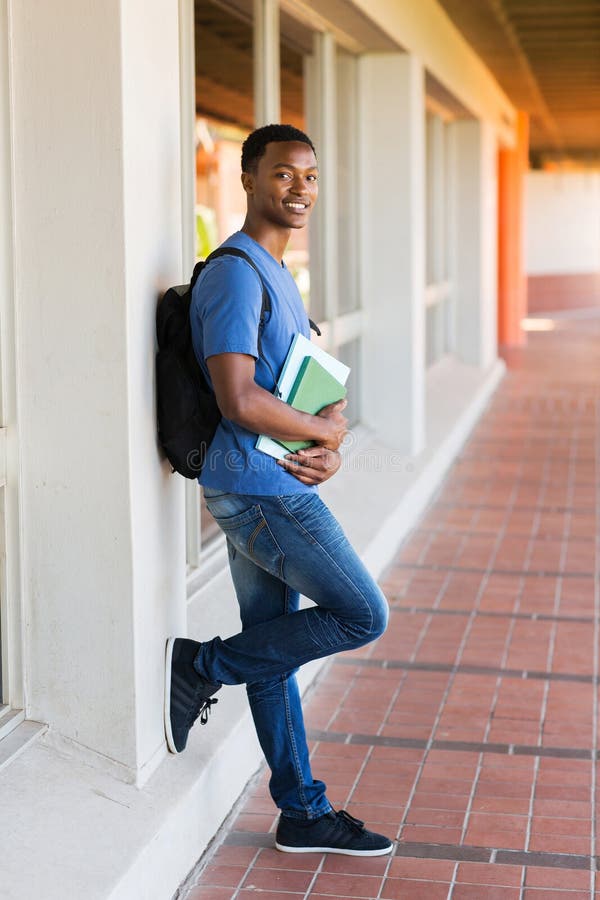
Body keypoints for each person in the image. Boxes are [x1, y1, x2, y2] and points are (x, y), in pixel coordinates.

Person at [165, 124, 393, 856]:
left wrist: (330, 439)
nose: (300, 188)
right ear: (250, 179)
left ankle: (301, 809)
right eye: (283, 173)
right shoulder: (235, 273)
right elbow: (239, 400)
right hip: (258, 491)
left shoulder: (274, 273)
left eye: (311, 176)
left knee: (275, 648)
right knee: (362, 613)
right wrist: (320, 437)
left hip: (268, 480)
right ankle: (201, 666)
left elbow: (298, 394)